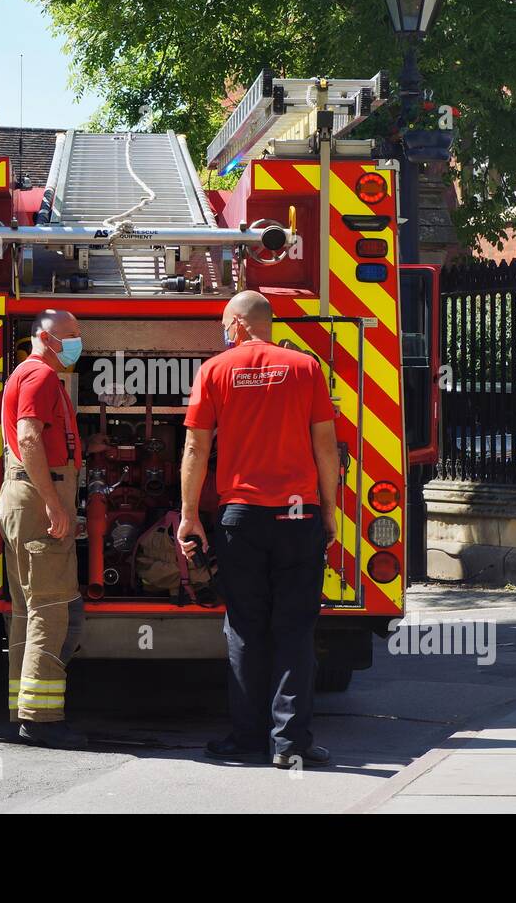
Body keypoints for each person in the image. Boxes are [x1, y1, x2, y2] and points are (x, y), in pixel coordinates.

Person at [178, 290, 339, 768]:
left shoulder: (214, 371)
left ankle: (247, 738)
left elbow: (195, 450)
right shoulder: (305, 368)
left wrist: (188, 515)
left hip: (241, 516)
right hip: (298, 515)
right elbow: (325, 448)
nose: (224, 331)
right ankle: (290, 744)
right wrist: (328, 509)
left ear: (239, 324)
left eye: (226, 323)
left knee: (246, 628)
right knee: (294, 628)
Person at [0, 308, 88, 749]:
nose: (77, 343)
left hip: (22, 498)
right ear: (45, 337)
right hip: (38, 500)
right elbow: (30, 437)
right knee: (51, 610)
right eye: (71, 335)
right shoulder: (40, 377)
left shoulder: (24, 374)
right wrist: (54, 505)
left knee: (27, 609)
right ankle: (42, 720)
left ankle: (23, 707)